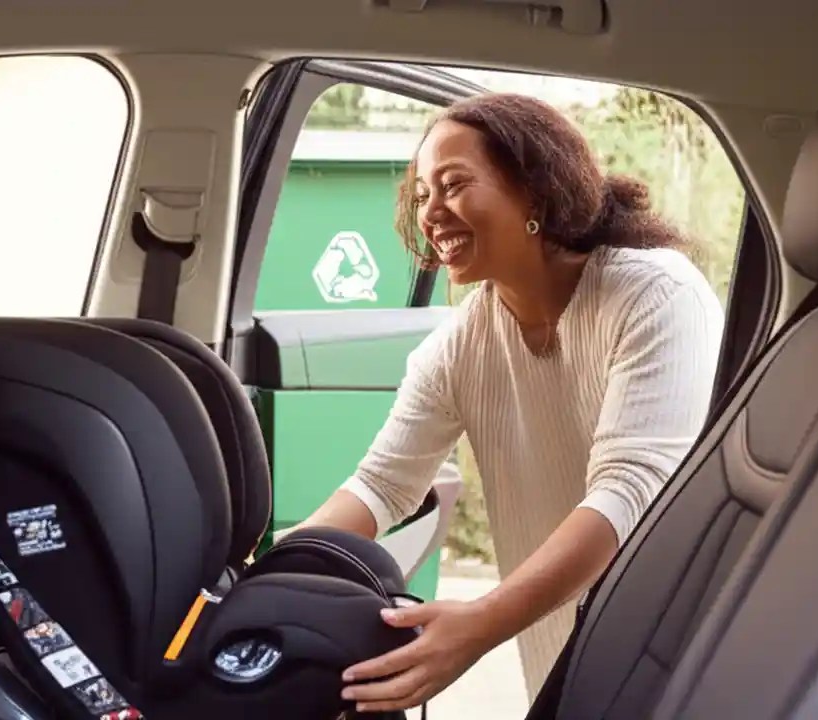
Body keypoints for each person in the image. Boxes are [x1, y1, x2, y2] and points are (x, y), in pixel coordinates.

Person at [290, 93, 726, 713]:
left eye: (453, 185)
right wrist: (263, 581)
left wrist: (479, 624)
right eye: (422, 194)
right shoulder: (459, 344)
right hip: (556, 653)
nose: (430, 212)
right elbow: (380, 488)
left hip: (679, 654)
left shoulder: (654, 294)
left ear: (535, 193)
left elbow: (627, 493)